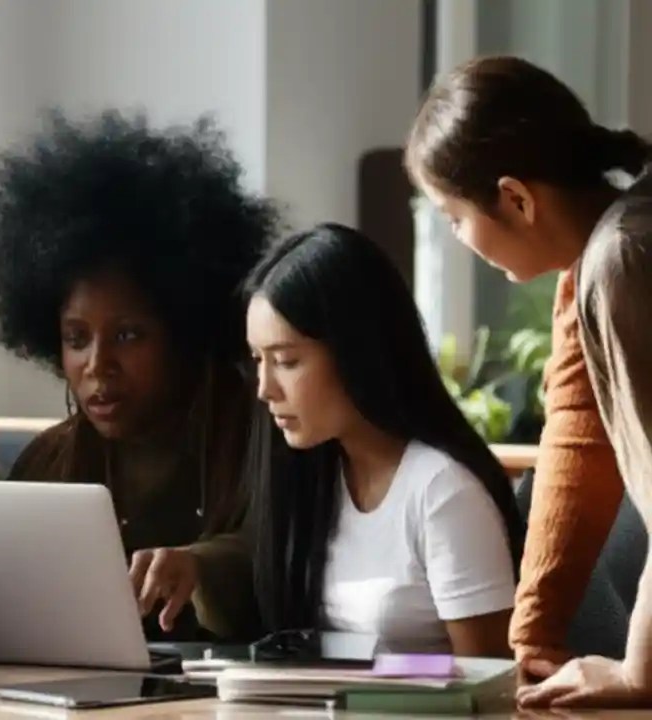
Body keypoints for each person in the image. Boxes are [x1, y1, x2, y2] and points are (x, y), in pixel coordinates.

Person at [0, 111, 275, 642]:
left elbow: (284, 563)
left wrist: (201, 567)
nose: (97, 364)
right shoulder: (48, 462)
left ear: (186, 328)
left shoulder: (265, 436)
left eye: (129, 335)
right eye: (76, 338)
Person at [407, 54, 652, 707]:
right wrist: (534, 643)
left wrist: (638, 671)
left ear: (516, 198)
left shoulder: (623, 255)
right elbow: (576, 439)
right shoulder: (592, 261)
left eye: (453, 217)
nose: (458, 238)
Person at [245, 223, 524, 656]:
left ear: (356, 350)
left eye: (285, 360)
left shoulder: (442, 491)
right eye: (257, 360)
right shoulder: (313, 478)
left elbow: (490, 684)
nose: (265, 387)